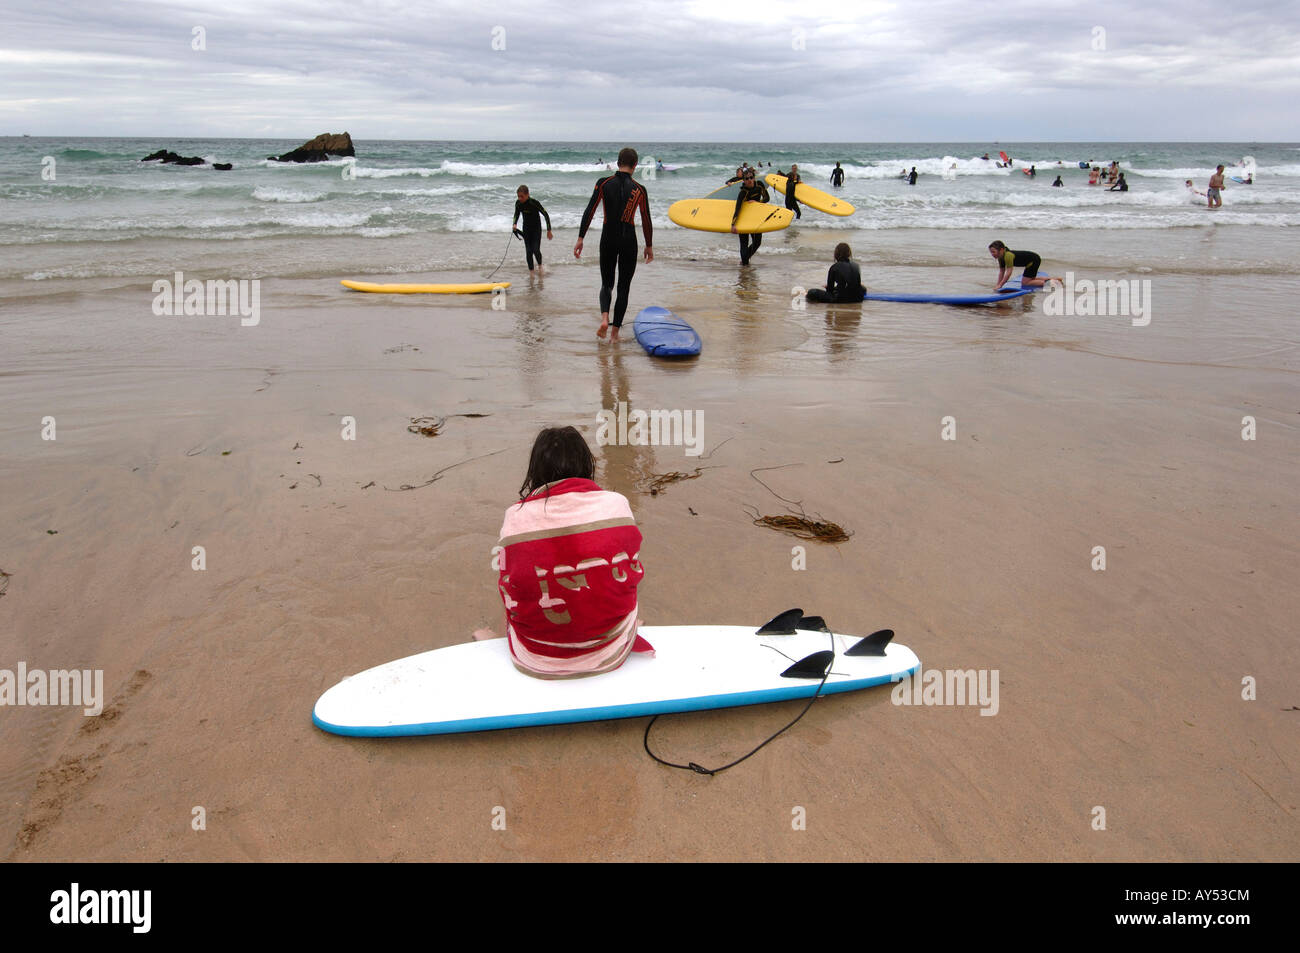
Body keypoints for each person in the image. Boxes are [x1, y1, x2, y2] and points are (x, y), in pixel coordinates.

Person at [479, 426, 650, 679]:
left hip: (537, 654)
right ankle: (621, 626)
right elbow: (630, 567)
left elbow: (510, 585)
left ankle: (493, 640)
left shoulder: (515, 517)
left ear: (535, 470)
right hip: (608, 648)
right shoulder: (616, 504)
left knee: (523, 583)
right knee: (618, 570)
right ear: (586, 465)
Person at [574, 147, 653, 341]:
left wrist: (581, 237)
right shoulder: (640, 190)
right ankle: (615, 333)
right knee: (623, 288)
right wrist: (649, 245)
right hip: (629, 241)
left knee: (606, 284)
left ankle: (604, 318)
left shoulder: (603, 183)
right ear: (635, 165)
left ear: (618, 163)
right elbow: (646, 219)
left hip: (608, 238)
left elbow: (590, 210)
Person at [730, 167, 770, 265]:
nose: (749, 180)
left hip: (755, 218)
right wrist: (733, 224)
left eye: (751, 177)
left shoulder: (759, 185)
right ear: (743, 180)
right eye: (747, 179)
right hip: (744, 219)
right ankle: (745, 265)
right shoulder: (743, 192)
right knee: (744, 243)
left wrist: (756, 202)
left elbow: (766, 198)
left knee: (757, 242)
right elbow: (738, 208)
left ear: (754, 178)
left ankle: (744, 261)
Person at [988, 240, 1062, 290]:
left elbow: (1008, 273)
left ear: (1001, 250)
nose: (992, 254)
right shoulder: (1000, 257)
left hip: (1033, 260)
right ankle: (1055, 279)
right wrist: (998, 285)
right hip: (1032, 259)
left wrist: (1000, 285)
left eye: (993, 252)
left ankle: (1053, 283)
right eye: (991, 252)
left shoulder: (1008, 256)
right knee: (1031, 280)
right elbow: (1002, 271)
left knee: (1026, 283)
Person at [511, 185, 552, 273]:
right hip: (526, 229)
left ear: (527, 195)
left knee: (536, 250)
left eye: (522, 196)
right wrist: (514, 224)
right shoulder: (518, 203)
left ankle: (540, 266)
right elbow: (516, 214)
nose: (520, 198)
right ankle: (531, 274)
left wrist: (549, 230)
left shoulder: (534, 203)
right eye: (518, 196)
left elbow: (545, 214)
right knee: (529, 251)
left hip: (536, 229)